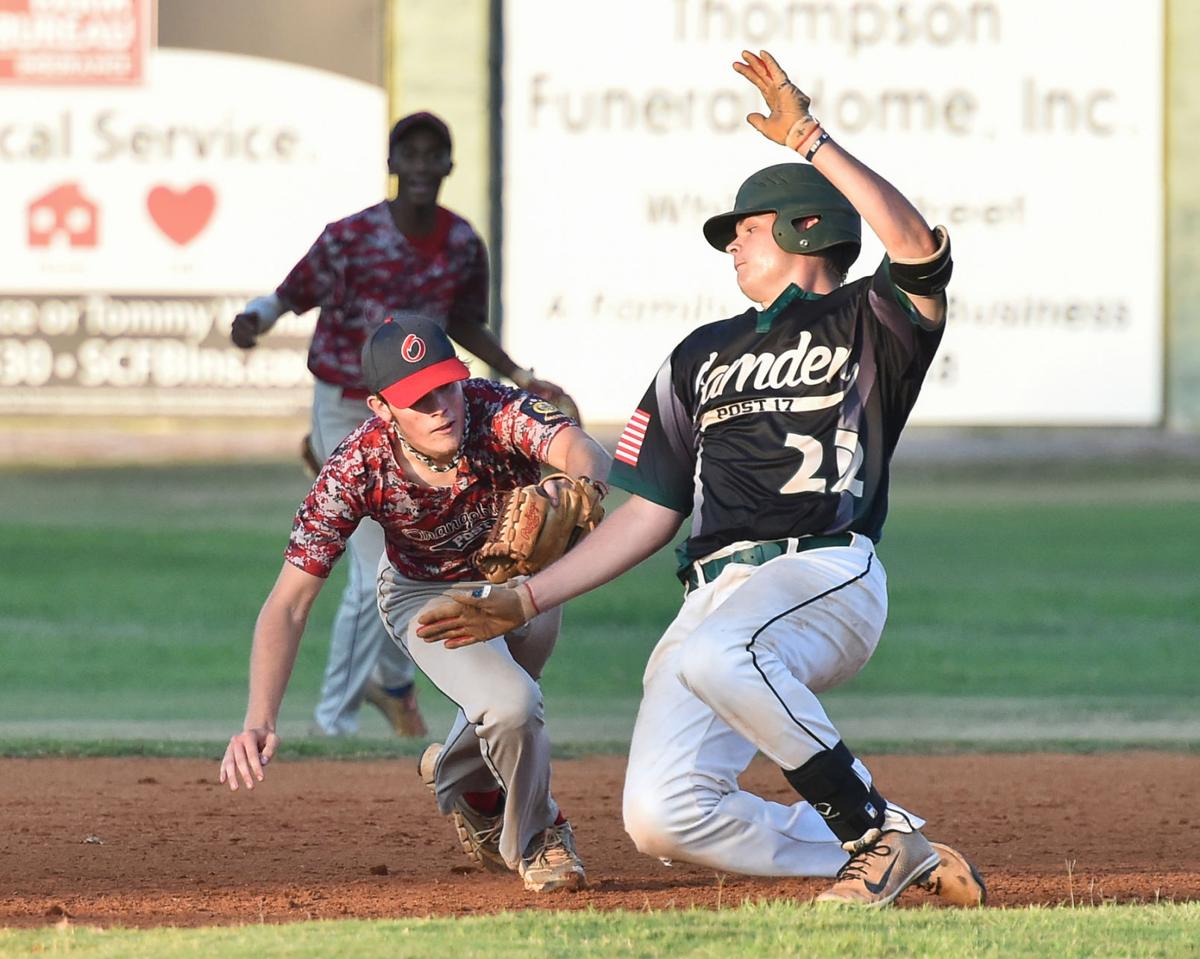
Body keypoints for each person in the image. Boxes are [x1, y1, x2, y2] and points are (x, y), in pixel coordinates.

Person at [415, 51, 985, 908]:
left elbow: (914, 246)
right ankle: (896, 837)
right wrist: (525, 597)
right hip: (712, 595)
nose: (731, 245)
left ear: (803, 229)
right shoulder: (697, 355)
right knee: (664, 815)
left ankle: (875, 840)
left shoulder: (873, 321)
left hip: (823, 569)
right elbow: (649, 511)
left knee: (728, 653)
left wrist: (811, 138)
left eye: (746, 228)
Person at [219, 313, 610, 894]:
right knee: (512, 704)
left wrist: (578, 488)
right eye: (417, 398)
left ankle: (459, 774)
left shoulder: (491, 407)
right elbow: (289, 603)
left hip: (525, 585)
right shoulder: (356, 466)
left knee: (503, 713)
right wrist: (258, 719)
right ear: (381, 408)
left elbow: (585, 448)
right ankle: (538, 837)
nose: (441, 407)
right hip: (425, 594)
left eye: (445, 385)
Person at [230, 111, 570, 737]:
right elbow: (288, 293)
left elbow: (466, 323)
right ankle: (335, 723)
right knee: (367, 566)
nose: (419, 165)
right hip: (347, 406)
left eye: (432, 154)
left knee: (430, 548)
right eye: (407, 153)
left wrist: (517, 375)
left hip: (435, 412)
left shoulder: (463, 243)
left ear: (448, 166)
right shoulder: (351, 237)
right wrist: (256, 317)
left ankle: (390, 680)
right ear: (391, 164)